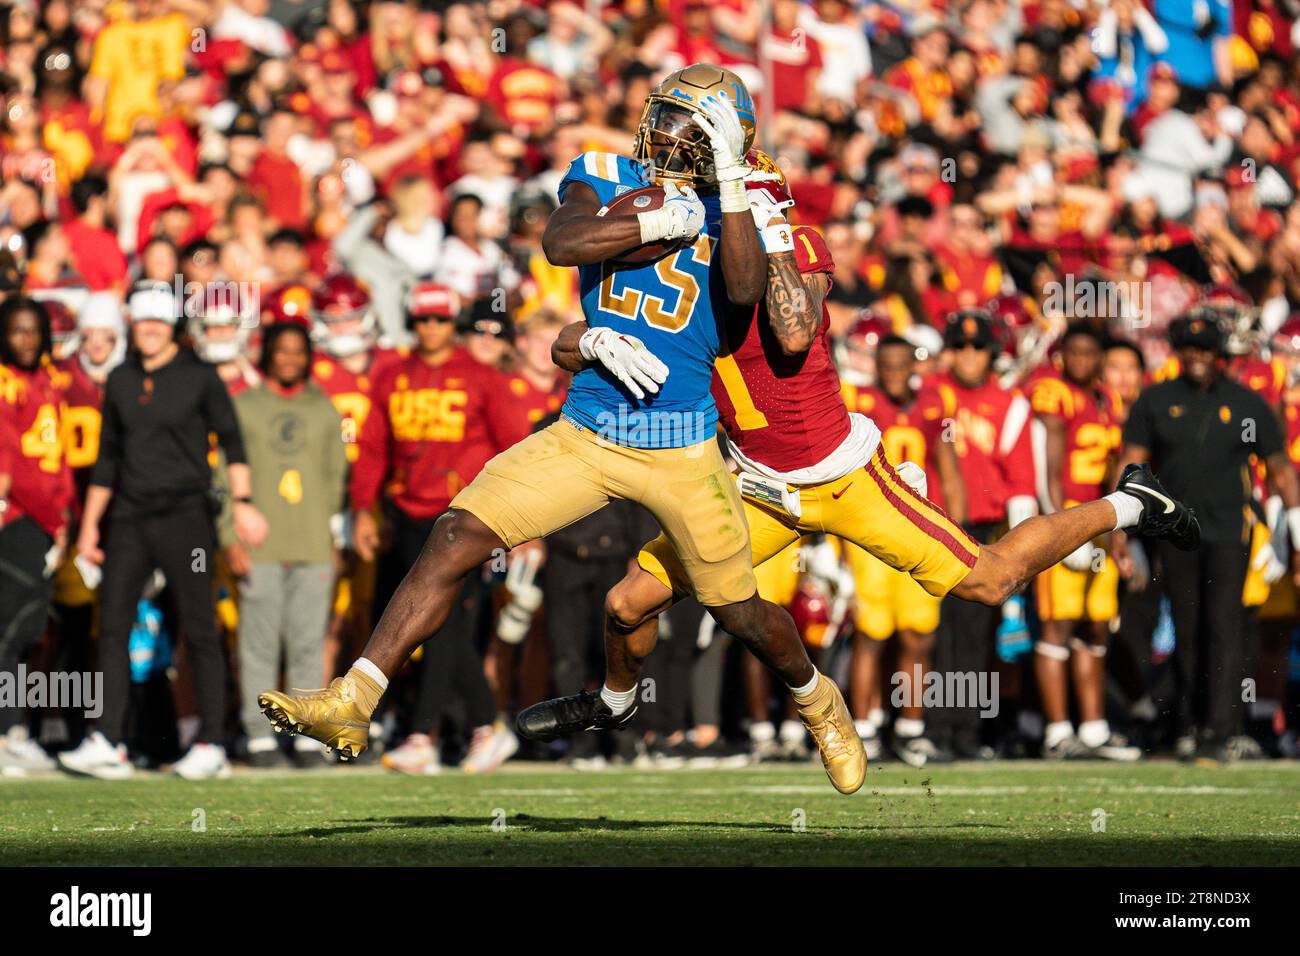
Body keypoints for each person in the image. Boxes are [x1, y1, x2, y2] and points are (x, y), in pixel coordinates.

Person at [261, 65, 872, 796]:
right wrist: (639, 247)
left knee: (738, 610)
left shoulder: (734, 205)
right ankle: (353, 698)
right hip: (585, 428)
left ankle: (817, 701)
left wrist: (731, 187)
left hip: (682, 445)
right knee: (456, 535)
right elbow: (564, 240)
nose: (666, 135)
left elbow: (742, 296)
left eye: (689, 126)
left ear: (725, 144)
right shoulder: (606, 169)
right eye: (665, 116)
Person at [522, 165, 1201, 773]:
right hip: (755, 487)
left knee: (991, 581)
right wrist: (587, 336)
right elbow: (578, 327)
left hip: (841, 475)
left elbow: (791, 330)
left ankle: (1132, 504)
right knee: (626, 603)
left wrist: (762, 224)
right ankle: (614, 703)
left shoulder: (798, 246)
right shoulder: (688, 266)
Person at [59, 281, 267, 781]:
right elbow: (107, 461)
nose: (149, 330)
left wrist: (242, 502)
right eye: (142, 321)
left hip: (187, 515)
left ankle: (211, 742)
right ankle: (106, 739)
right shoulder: (123, 378)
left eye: (158, 321)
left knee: (198, 628)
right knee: (111, 625)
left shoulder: (199, 376)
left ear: (172, 324)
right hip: (130, 515)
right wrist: (89, 529)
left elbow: (233, 441)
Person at [347, 280, 526, 776]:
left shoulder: (481, 376)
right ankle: (474, 728)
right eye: (423, 320)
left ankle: (431, 733)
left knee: (440, 625)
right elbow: (373, 448)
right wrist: (364, 508)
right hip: (407, 514)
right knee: (426, 625)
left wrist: (525, 523)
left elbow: (515, 445)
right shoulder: (393, 375)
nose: (430, 329)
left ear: (454, 324)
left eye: (439, 320)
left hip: (466, 517)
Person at [1115, 310, 1300, 762]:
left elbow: (1279, 467)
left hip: (1228, 532)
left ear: (1221, 355)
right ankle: (1188, 724)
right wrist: (1120, 531)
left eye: (1207, 349)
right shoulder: (1154, 400)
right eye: (1190, 348)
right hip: (1175, 533)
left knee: (1225, 629)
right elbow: (1131, 465)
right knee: (1185, 627)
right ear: (1179, 353)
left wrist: (1295, 529)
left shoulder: (1247, 403)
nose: (1198, 356)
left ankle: (1221, 728)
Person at [229, 321, 348, 769]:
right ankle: (259, 736)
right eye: (282, 351)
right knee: (259, 645)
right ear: (268, 354)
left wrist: (336, 539)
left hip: (314, 542)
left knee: (307, 644)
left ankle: (304, 735)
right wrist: (228, 538)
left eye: (298, 351)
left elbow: (336, 481)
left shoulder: (324, 408)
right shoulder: (244, 406)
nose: (290, 359)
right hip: (259, 544)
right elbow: (224, 476)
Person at [1029, 323, 1139, 760]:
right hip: (1067, 516)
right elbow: (1046, 468)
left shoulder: (1106, 398)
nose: (1080, 360)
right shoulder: (1053, 393)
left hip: (1100, 519)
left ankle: (1093, 729)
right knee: (1058, 623)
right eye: (1072, 352)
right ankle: (1058, 732)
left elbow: (1118, 469)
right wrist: (1061, 529)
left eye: (1089, 353)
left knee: (1096, 624)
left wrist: (1120, 536)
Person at [0, 297, 71, 773]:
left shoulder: (46, 381)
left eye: (33, 330)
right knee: (9, 629)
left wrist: (64, 518)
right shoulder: (6, 384)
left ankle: (15, 727)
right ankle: (6, 730)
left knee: (28, 631)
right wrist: (51, 517)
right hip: (19, 520)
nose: (26, 339)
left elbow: (56, 459)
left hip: (45, 520)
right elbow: (12, 470)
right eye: (16, 330)